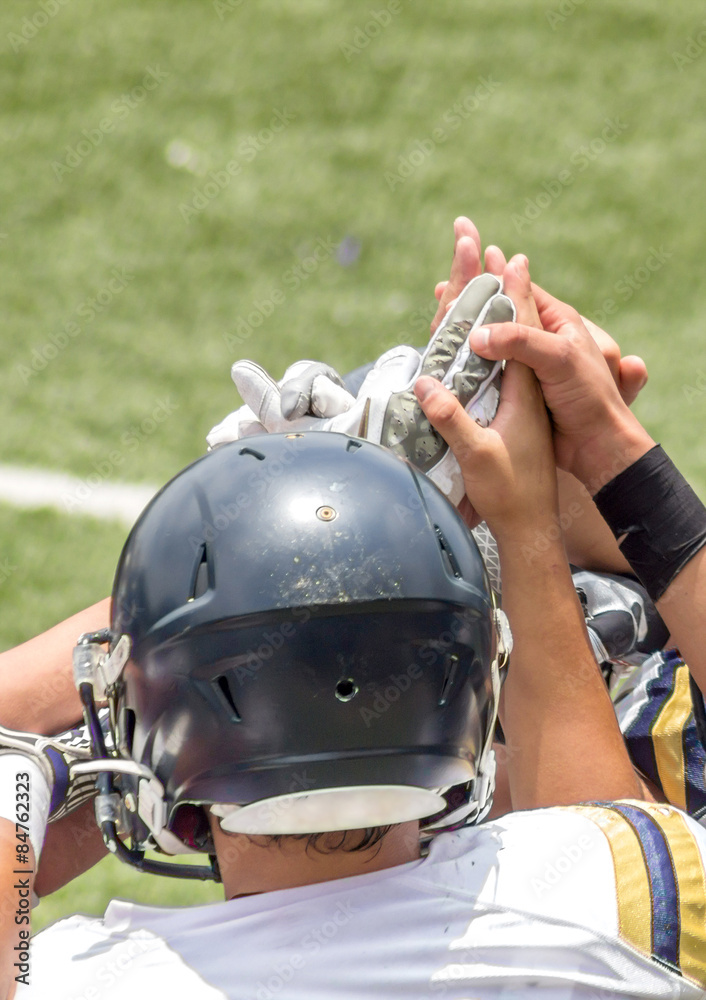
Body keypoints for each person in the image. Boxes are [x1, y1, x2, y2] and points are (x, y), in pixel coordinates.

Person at [4, 333, 704, 997]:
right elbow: (593, 818)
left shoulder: (86, 979)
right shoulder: (617, 901)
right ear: (477, 690)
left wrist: (21, 797)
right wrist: (586, 466)